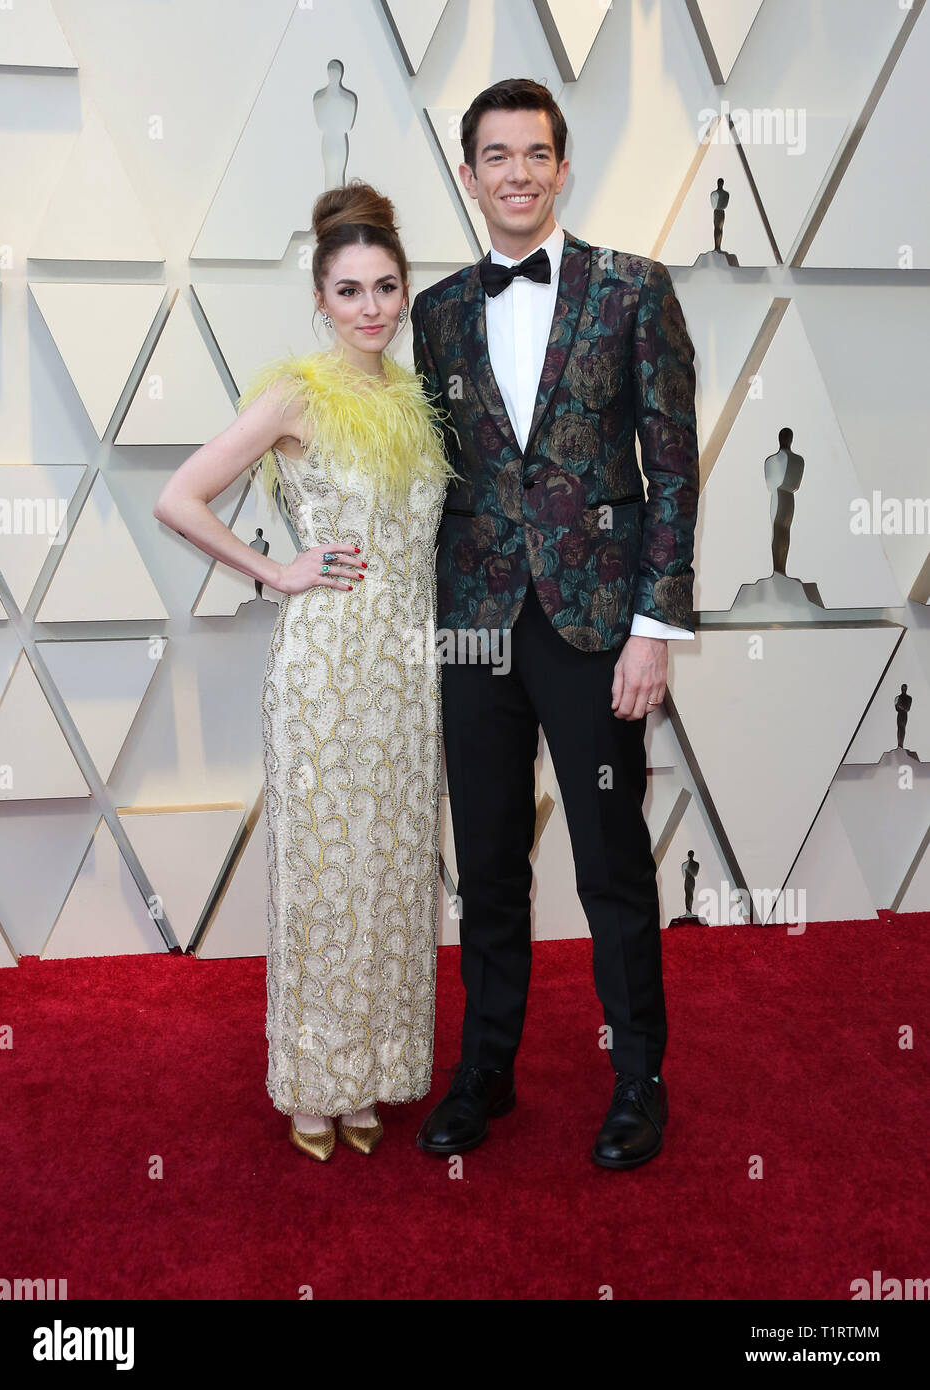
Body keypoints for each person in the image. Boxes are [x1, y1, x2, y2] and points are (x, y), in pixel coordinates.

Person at [410, 79, 699, 1169]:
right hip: (473, 623)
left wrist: (652, 626)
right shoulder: (434, 312)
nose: (517, 173)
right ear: (470, 172)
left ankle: (638, 1077)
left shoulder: (633, 290)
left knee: (609, 860)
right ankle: (485, 1068)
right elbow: (432, 478)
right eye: (496, 155)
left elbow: (670, 469)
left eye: (535, 153)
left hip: (594, 627)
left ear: (562, 167)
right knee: (485, 861)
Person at [153, 181, 458, 1162]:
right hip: (326, 674)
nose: (370, 308)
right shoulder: (294, 393)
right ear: (319, 299)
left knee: (389, 875)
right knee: (325, 879)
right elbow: (179, 495)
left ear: (403, 291)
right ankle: (313, 1085)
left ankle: (368, 1069)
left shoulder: (412, 399)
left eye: (385, 287)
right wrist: (276, 571)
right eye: (349, 290)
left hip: (406, 683)